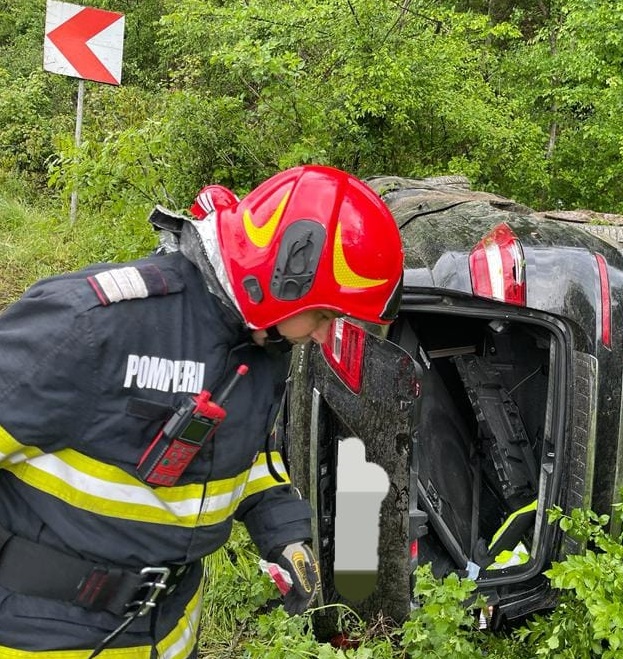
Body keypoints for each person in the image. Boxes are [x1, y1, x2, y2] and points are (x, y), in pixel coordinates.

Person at [0, 164, 404, 657]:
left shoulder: (261, 353)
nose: (323, 335)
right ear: (285, 275)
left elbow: (249, 457)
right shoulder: (93, 324)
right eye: (324, 314)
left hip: (170, 634)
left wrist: (287, 535)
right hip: (42, 636)